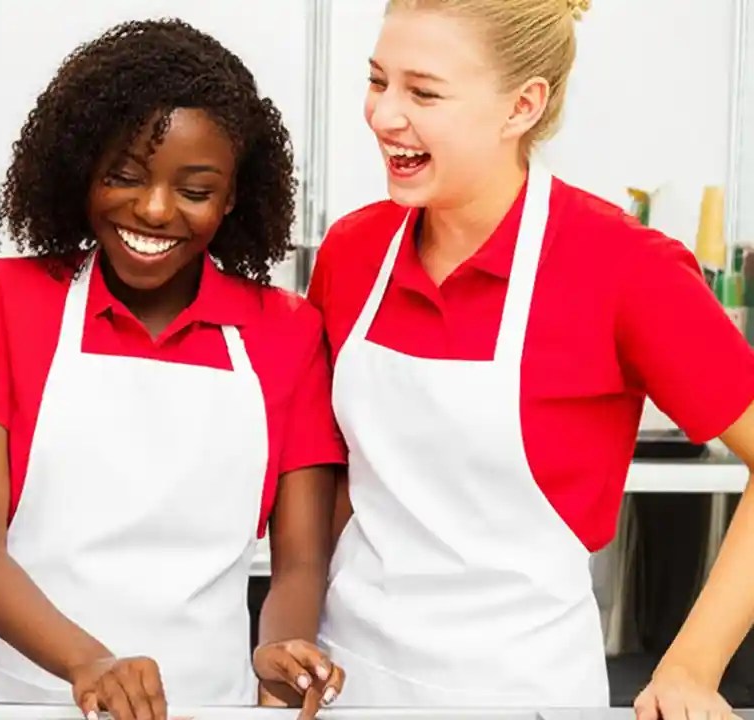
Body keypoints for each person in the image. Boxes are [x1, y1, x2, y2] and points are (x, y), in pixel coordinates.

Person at [308, 0, 754, 717]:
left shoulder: (624, 269)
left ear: (522, 106)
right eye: (377, 80)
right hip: (346, 684)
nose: (385, 115)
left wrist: (692, 669)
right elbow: (334, 481)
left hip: (525, 694)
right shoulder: (353, 252)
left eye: (423, 92)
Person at [0, 18, 346, 720]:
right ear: (84, 167)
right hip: (28, 702)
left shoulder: (287, 332)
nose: (153, 209)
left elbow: (300, 562)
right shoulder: (3, 300)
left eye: (196, 189)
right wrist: (89, 662)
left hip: (210, 707)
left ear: (234, 195)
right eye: (124, 176)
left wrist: (283, 653)